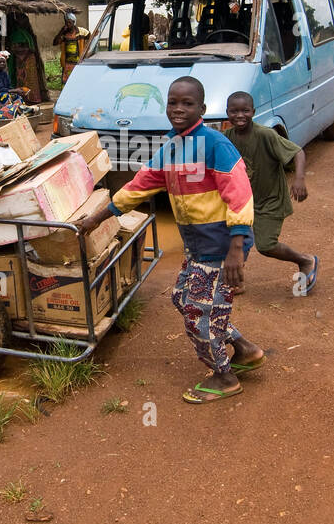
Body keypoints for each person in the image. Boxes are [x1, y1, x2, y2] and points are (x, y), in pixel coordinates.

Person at [75, 76, 261, 404]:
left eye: (187, 104)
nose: (178, 109)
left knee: (197, 314)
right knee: (181, 298)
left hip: (221, 246)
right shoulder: (171, 148)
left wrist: (236, 247)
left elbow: (240, 195)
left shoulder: (215, 144)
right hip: (198, 246)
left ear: (202, 109)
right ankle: (244, 349)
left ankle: (224, 375)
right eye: (173, 102)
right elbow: (139, 186)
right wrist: (95, 219)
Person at [224, 91, 317, 295]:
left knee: (266, 245)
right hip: (244, 202)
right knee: (234, 238)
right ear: (227, 113)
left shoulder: (265, 135)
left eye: (245, 111)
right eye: (234, 111)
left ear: (253, 112)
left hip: (270, 200)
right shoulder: (226, 138)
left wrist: (299, 179)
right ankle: (235, 280)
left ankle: (305, 260)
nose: (240, 115)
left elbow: (297, 152)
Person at [54, 10, 89, 83]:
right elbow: (55, 43)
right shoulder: (64, 34)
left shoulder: (82, 32)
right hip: (67, 64)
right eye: (66, 22)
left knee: (78, 82)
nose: (67, 24)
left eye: (69, 22)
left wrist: (87, 53)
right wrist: (61, 31)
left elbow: (92, 38)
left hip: (79, 63)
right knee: (67, 83)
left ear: (74, 22)